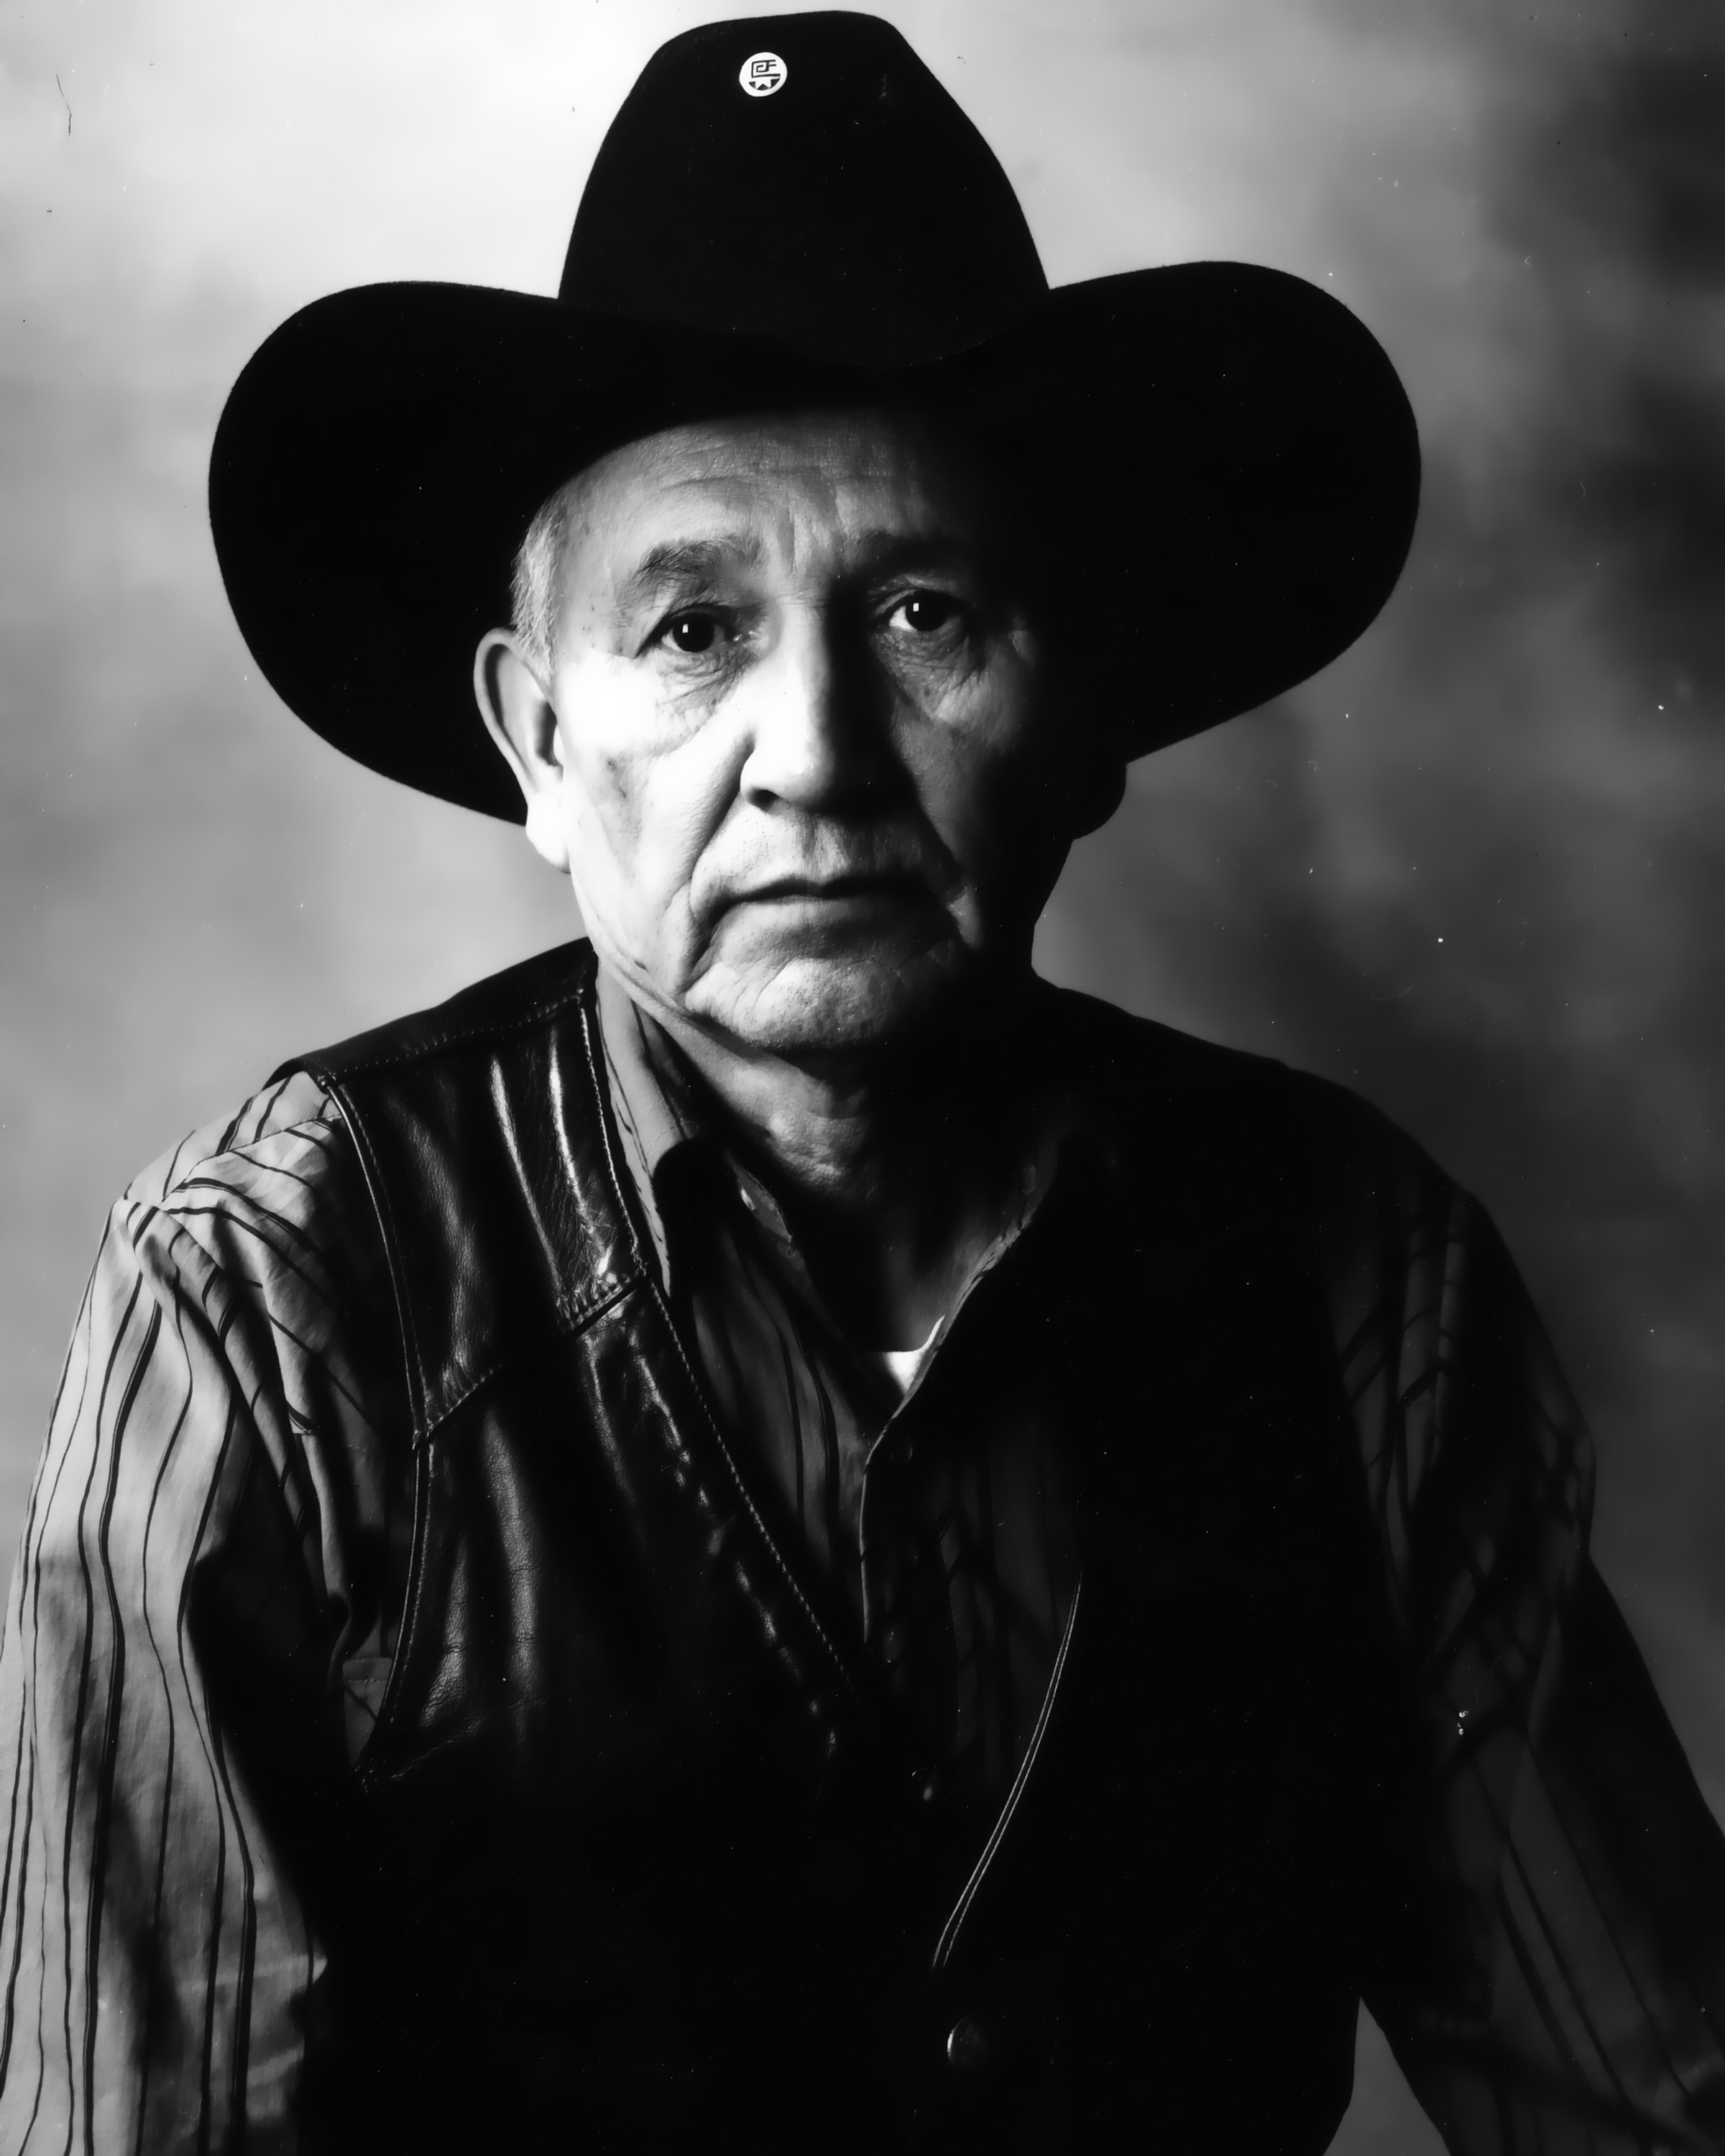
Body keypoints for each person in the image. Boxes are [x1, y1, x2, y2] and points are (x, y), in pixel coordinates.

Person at [1, 12, 1722, 2153]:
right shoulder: (270, 1306)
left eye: (922, 613)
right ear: (538, 744)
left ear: (1084, 719)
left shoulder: (1355, 1272)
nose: (811, 754)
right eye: (695, 631)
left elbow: (1641, 2097)